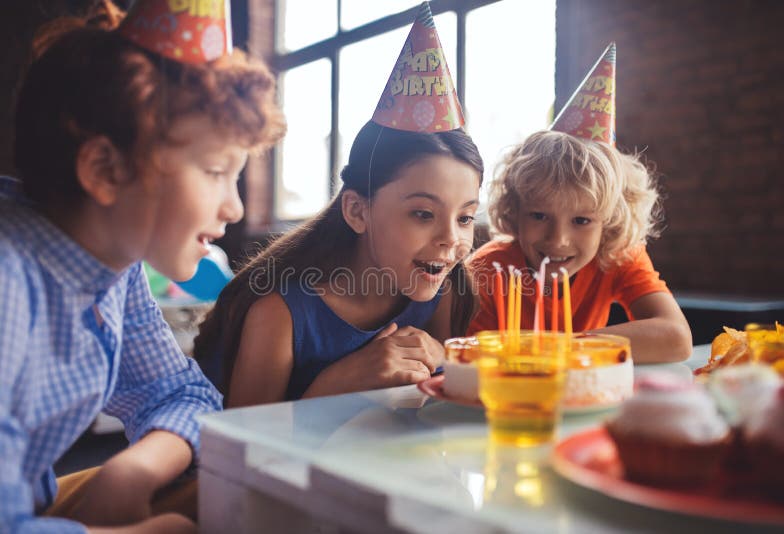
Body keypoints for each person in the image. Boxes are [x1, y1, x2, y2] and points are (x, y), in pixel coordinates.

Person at [0, 0, 285, 532]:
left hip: (33, 501)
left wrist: (132, 471)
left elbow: (180, 393)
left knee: (240, 487)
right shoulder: (9, 283)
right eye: (214, 170)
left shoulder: (116, 266)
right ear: (106, 169)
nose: (237, 207)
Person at [194, 2, 484, 407]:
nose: (451, 240)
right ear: (357, 211)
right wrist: (337, 383)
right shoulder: (279, 313)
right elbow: (245, 450)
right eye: (423, 214)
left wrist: (440, 357)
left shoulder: (442, 290)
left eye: (466, 217)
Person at [467, 43, 692, 363]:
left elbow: (676, 339)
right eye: (539, 215)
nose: (558, 240)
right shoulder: (489, 271)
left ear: (610, 221)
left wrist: (561, 347)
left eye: (582, 220)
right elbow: (478, 363)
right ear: (514, 211)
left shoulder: (615, 256)